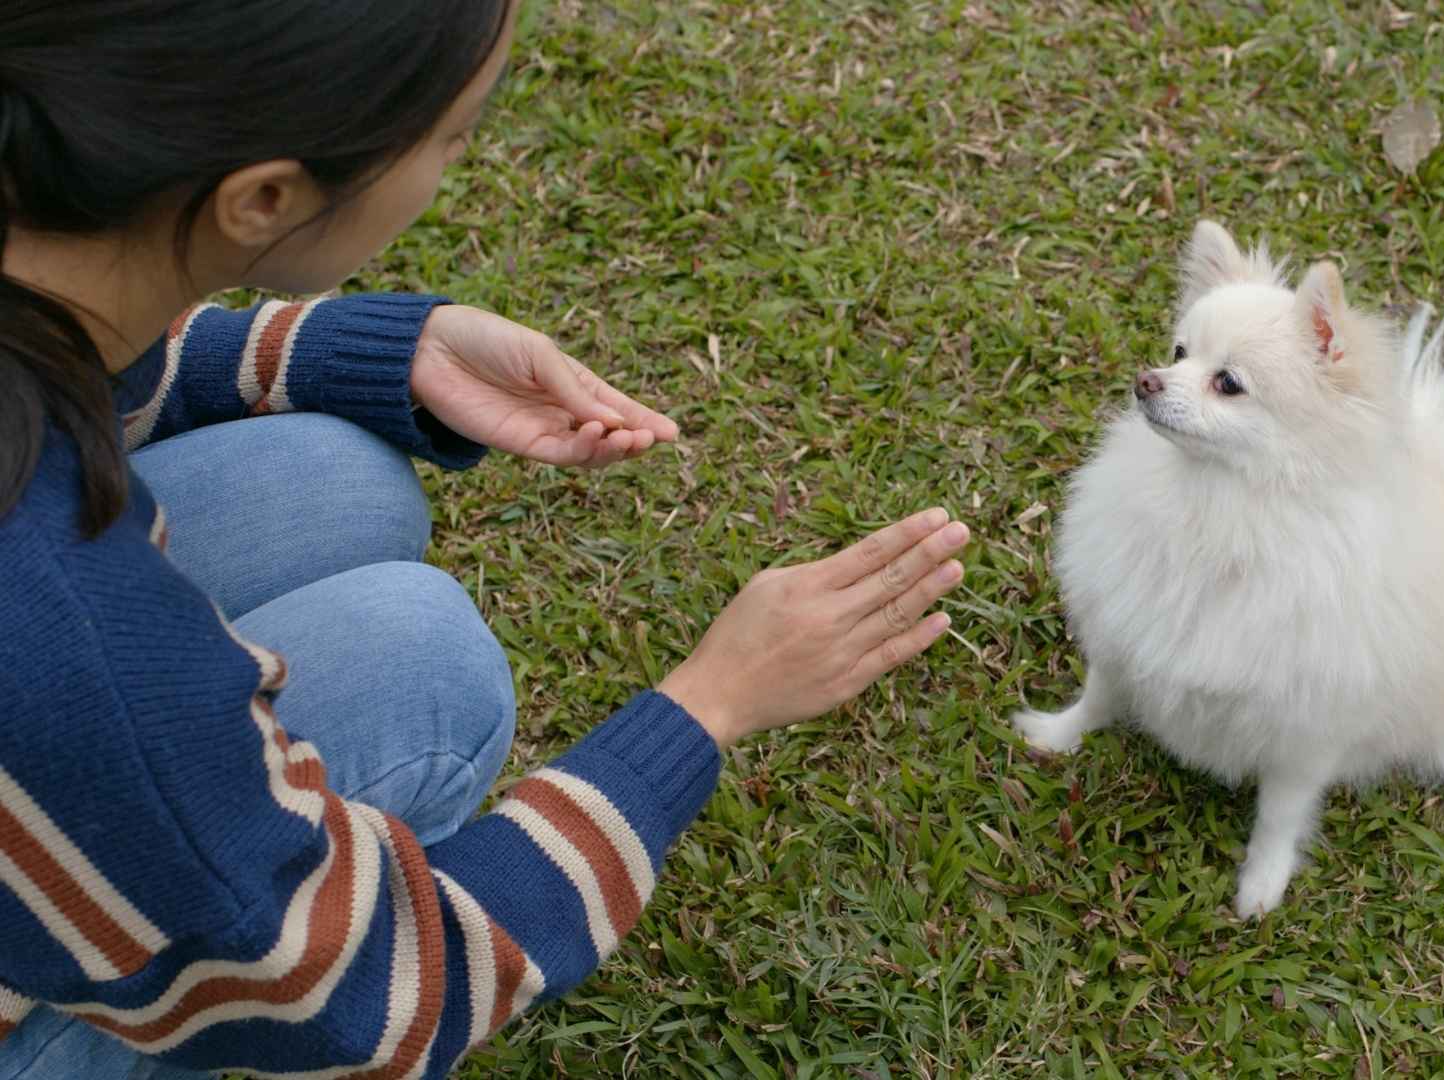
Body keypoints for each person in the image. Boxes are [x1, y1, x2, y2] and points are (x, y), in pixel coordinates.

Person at [0, 3, 971, 1077]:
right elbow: (359, 994)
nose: (460, 157)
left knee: (338, 479)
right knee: (435, 679)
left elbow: (74, 362)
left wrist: (353, 349)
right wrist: (710, 706)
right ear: (265, 198)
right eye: (456, 132)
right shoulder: (71, 637)